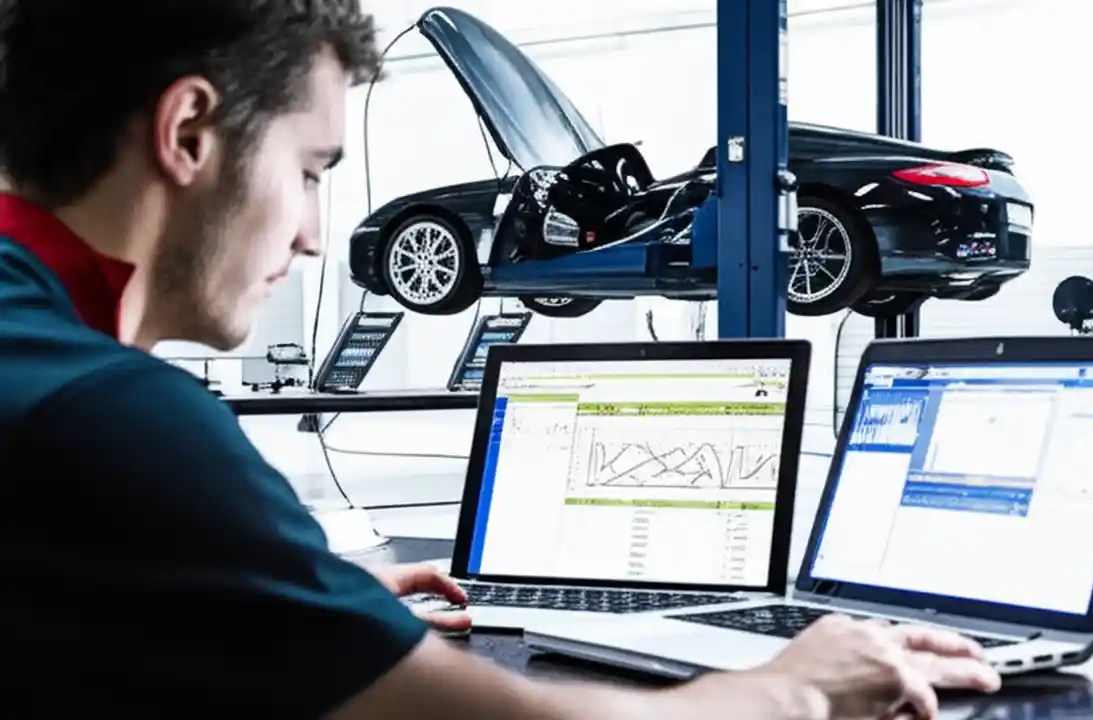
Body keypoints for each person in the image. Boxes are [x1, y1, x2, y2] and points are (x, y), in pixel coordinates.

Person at [0, 1, 1001, 717]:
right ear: (186, 132)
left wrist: (277, 589)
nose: (311, 237)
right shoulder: (112, 419)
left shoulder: (49, 369)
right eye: (310, 173)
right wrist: (792, 686)